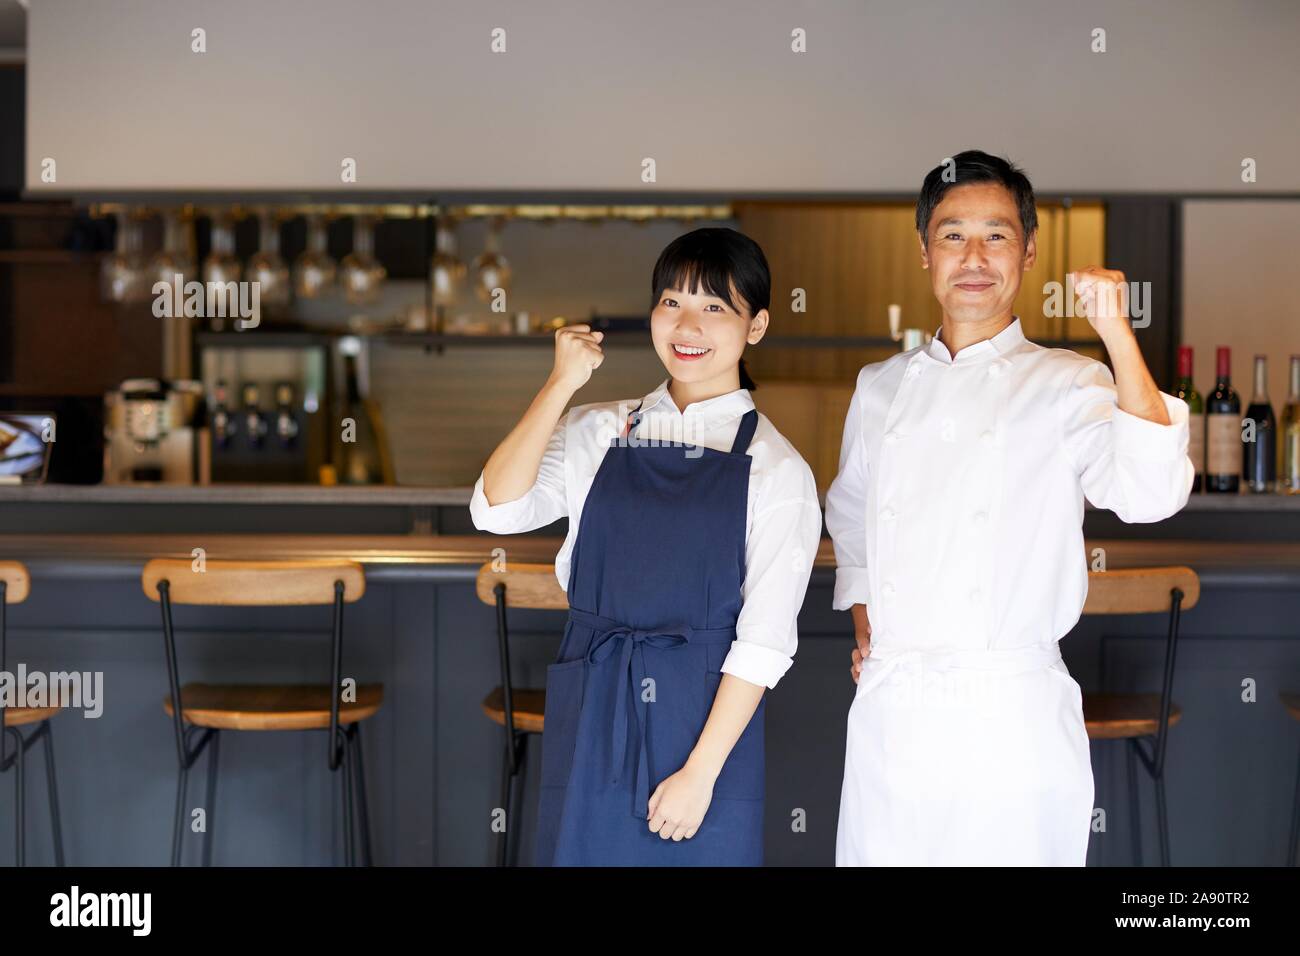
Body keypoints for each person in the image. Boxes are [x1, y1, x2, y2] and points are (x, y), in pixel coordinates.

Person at [826, 150, 1193, 866]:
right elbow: (853, 519)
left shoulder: (1068, 380)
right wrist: (871, 629)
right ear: (924, 251)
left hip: (1011, 711)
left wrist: (1116, 331)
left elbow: (1151, 495)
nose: (973, 255)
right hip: (894, 707)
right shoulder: (880, 387)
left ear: (1028, 251)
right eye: (952, 233)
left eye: (995, 235)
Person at [470, 227, 822, 865]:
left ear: (758, 326)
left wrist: (700, 773)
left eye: (715, 307)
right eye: (671, 302)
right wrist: (559, 386)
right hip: (596, 698)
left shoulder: (776, 467)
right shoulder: (597, 427)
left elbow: (765, 641)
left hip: (701, 716)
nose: (687, 325)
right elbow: (497, 507)